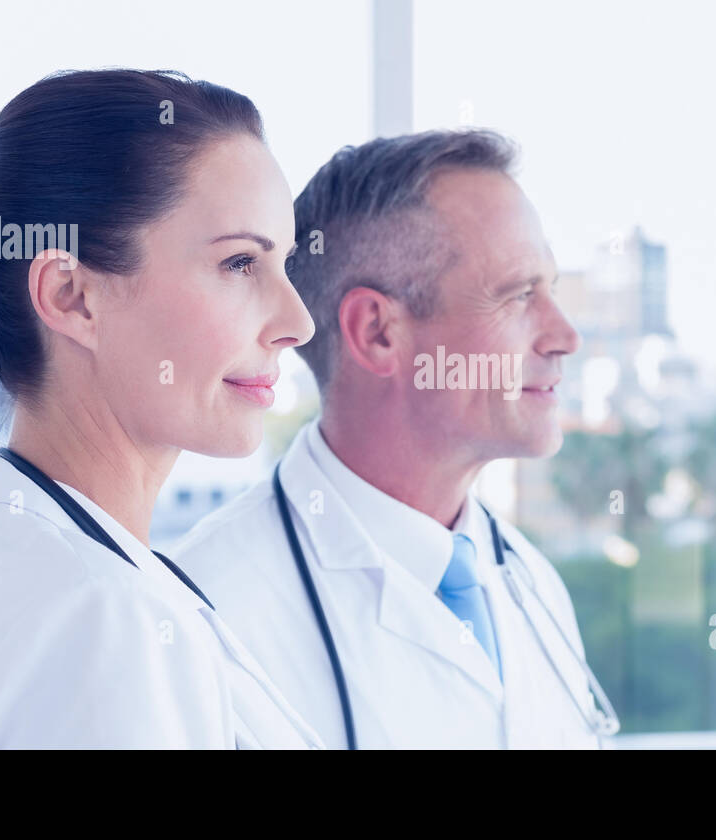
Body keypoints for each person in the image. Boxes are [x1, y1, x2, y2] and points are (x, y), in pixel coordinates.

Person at [0, 69, 322, 748]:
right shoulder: (97, 616)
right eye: (239, 264)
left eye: (284, 264)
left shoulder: (68, 584)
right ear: (72, 297)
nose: (297, 321)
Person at [174, 129, 616, 748]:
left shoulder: (530, 583)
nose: (564, 334)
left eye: (553, 290)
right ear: (378, 332)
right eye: (519, 295)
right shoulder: (205, 617)